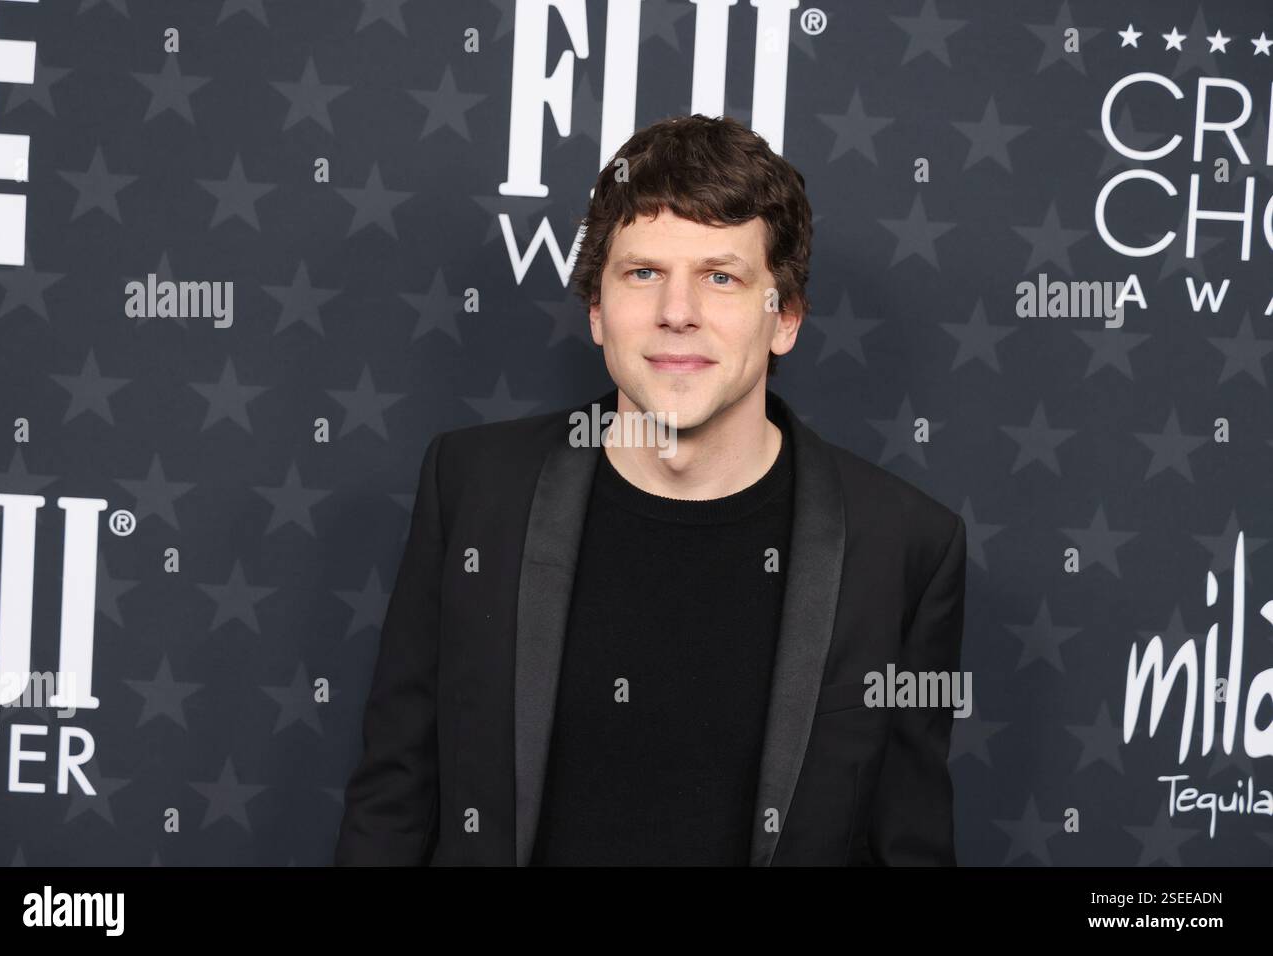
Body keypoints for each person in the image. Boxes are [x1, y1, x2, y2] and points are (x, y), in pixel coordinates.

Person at [334, 114, 966, 866]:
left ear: (785, 318)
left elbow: (910, 845)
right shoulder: (474, 491)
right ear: (597, 312)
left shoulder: (905, 548)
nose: (677, 312)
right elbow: (393, 803)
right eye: (643, 274)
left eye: (721, 277)